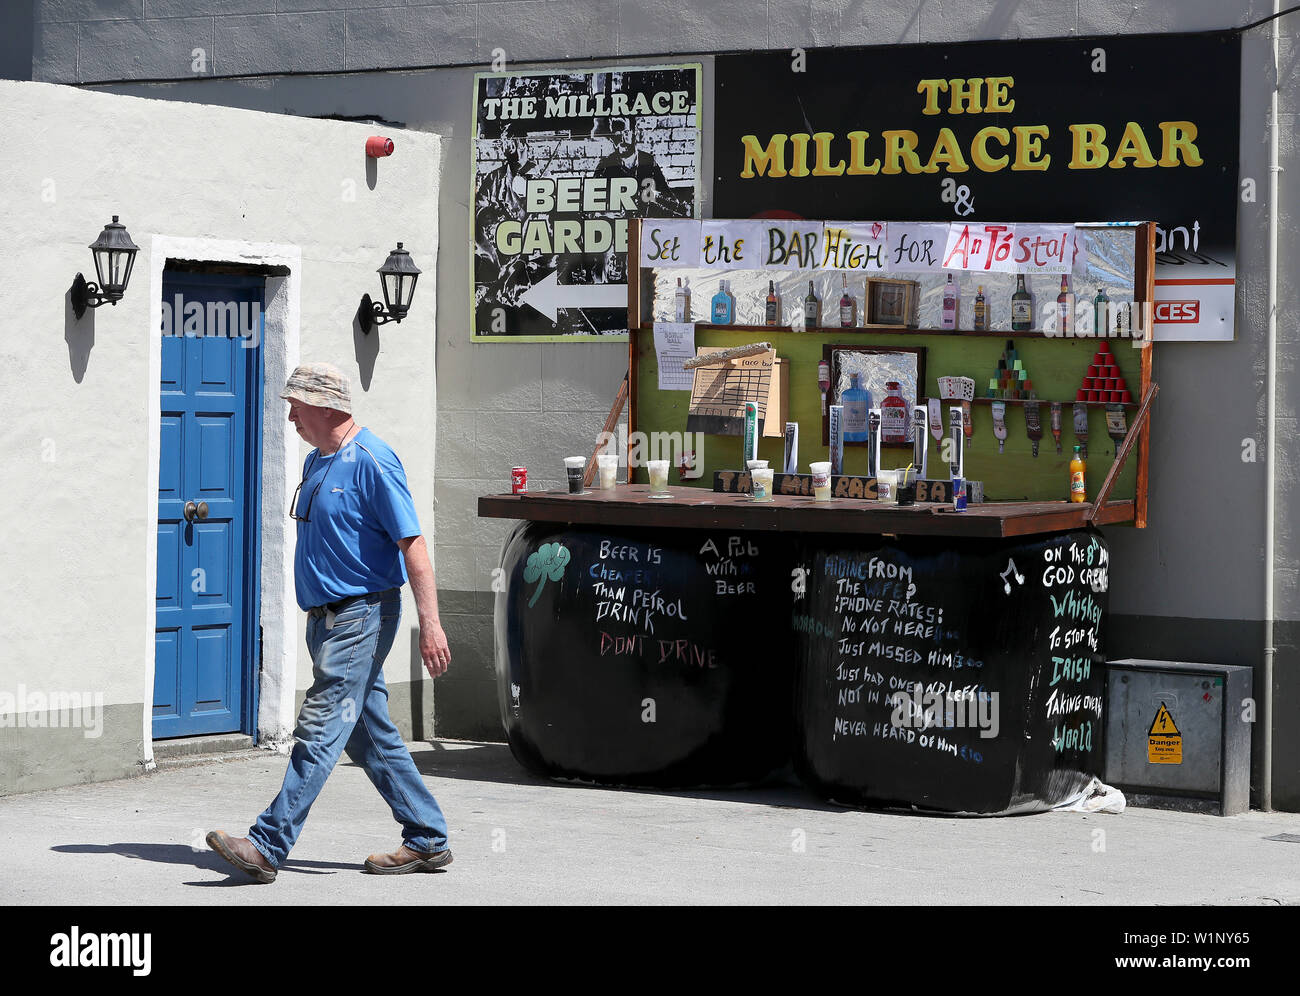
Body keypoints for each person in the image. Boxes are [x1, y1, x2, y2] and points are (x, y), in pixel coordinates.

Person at [207, 362, 452, 883]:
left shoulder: (373, 461)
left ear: (326, 406)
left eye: (297, 405)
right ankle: (427, 838)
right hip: (326, 621)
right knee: (366, 732)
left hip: (362, 614)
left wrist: (430, 623)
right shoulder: (318, 462)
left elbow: (412, 543)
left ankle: (267, 845)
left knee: (319, 727)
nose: (291, 415)